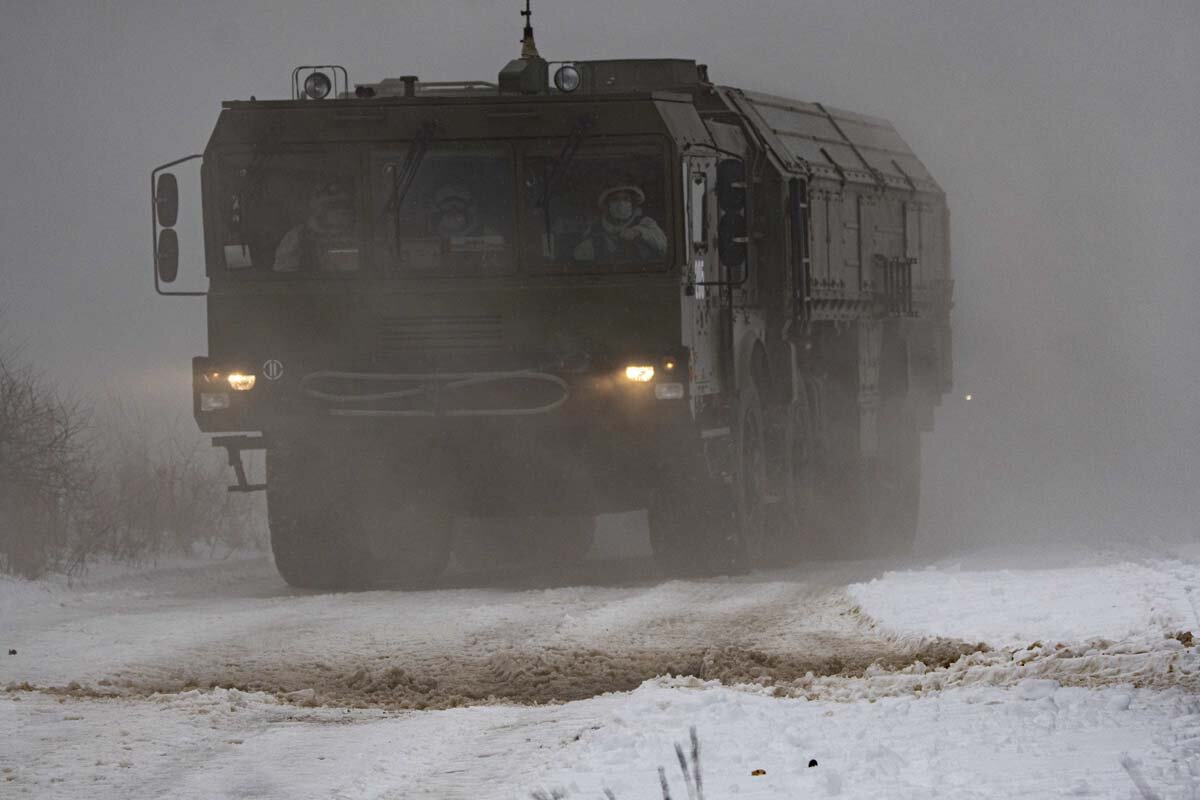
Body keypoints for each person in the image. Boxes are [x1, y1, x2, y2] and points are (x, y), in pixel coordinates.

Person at [273, 180, 358, 272]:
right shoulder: (298, 236)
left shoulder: (359, 233)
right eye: (332, 205)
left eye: (344, 205)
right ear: (317, 208)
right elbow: (284, 274)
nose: (340, 211)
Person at [573, 183, 667, 263]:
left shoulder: (645, 222)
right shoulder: (596, 228)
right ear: (608, 204)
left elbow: (664, 245)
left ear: (632, 203)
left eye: (626, 199)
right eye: (615, 199)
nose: (621, 203)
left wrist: (639, 231)